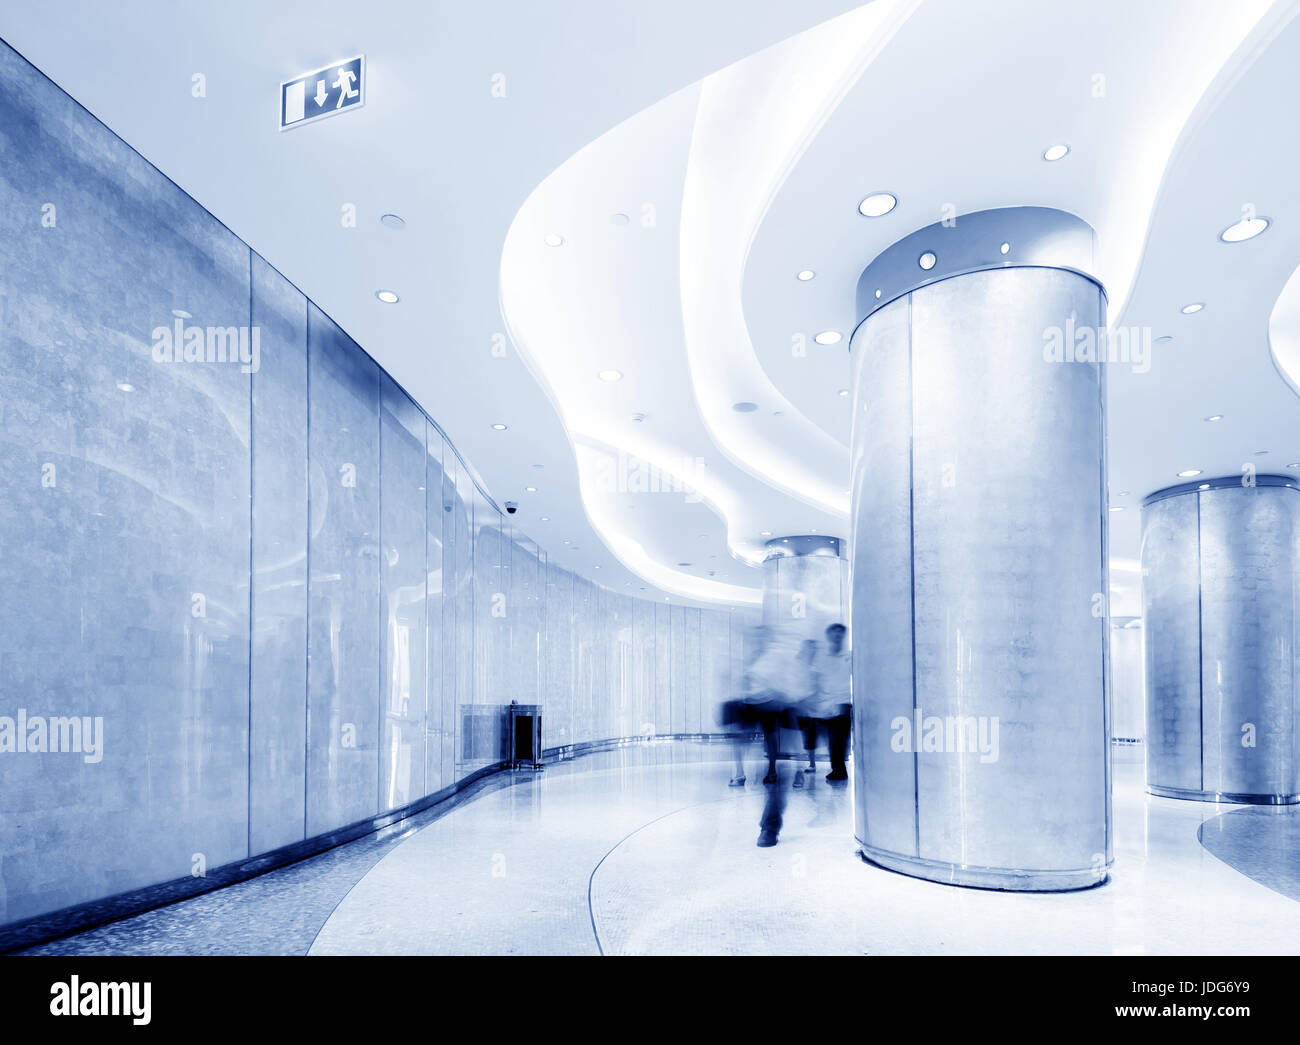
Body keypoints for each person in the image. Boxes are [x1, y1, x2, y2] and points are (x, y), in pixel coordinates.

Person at [810, 623, 851, 782]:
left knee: (839, 738)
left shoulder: (848, 656)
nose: (837, 636)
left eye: (840, 634)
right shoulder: (822, 657)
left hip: (843, 702)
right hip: (827, 703)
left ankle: (839, 770)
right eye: (834, 633)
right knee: (832, 738)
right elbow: (815, 678)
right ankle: (838, 769)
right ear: (829, 636)